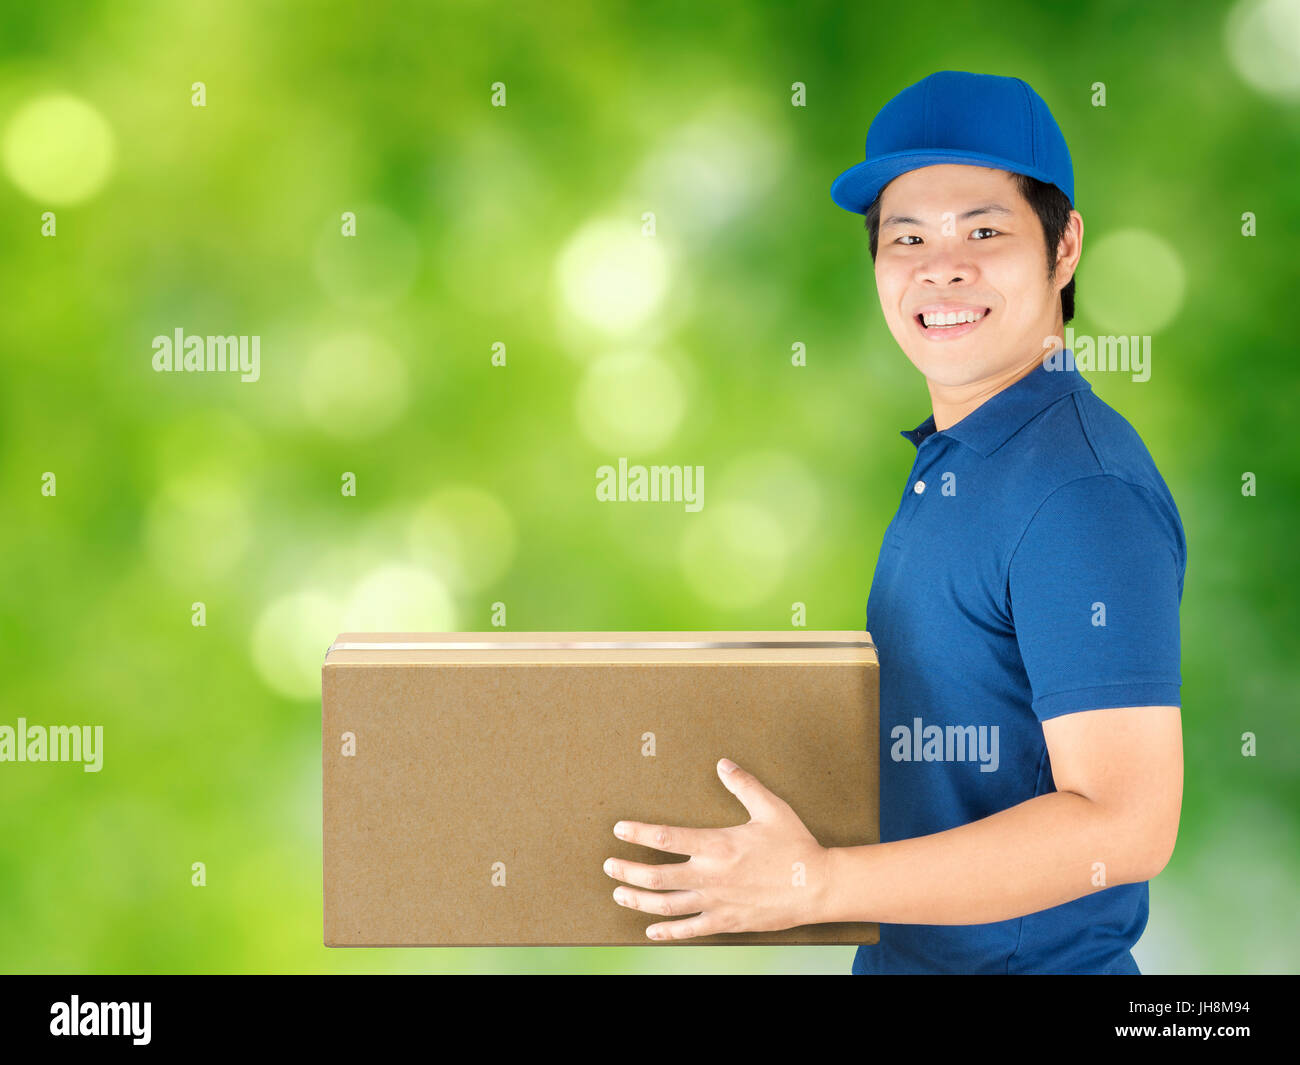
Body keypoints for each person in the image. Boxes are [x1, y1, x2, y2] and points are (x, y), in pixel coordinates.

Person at [605, 70, 1185, 975]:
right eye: (906, 236)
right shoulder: (963, 457)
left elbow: (1126, 821)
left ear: (1064, 247)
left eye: (984, 232)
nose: (940, 266)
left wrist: (817, 885)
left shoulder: (1080, 492)